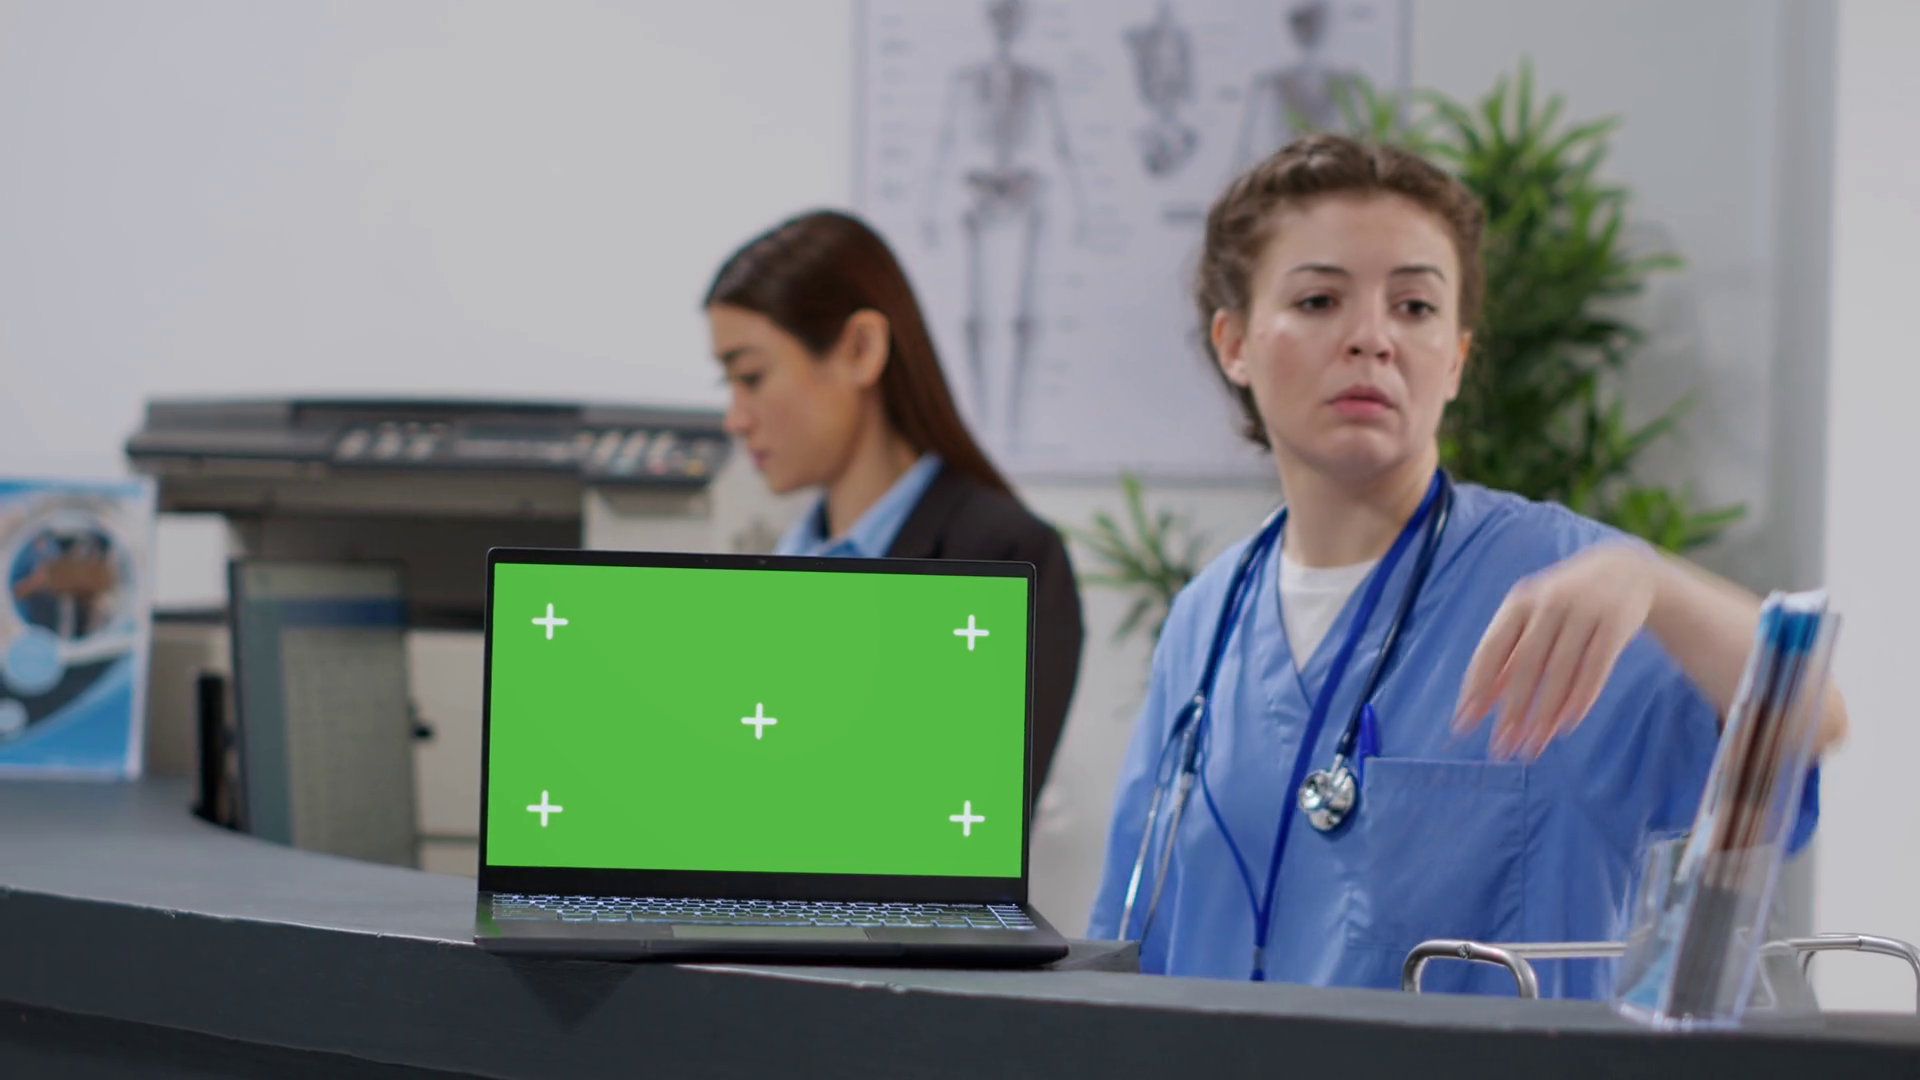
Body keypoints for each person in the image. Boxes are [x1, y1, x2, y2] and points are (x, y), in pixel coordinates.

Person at [1086, 135, 1847, 997]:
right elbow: (1129, 934)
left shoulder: (1565, 578)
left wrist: (1657, 584)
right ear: (1233, 343)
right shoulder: (1209, 614)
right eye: (1319, 299)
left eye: (1414, 306)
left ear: (1454, 358)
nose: (1371, 339)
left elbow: (1812, 715)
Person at [704, 209, 1085, 799]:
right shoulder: (784, 561)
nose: (735, 419)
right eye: (726, 384)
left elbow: (963, 810)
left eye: (751, 377)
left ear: (861, 349)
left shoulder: (1006, 558)